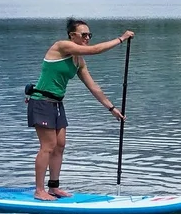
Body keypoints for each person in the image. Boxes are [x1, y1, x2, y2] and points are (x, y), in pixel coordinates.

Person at [26, 18, 133, 201]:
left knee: (60, 145)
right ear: (71, 35)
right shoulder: (61, 47)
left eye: (89, 35)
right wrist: (121, 39)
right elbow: (95, 50)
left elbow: (93, 87)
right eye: (83, 35)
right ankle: (39, 190)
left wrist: (111, 108)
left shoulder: (78, 61)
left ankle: (53, 187)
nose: (87, 38)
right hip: (41, 102)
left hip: (57, 104)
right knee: (48, 146)